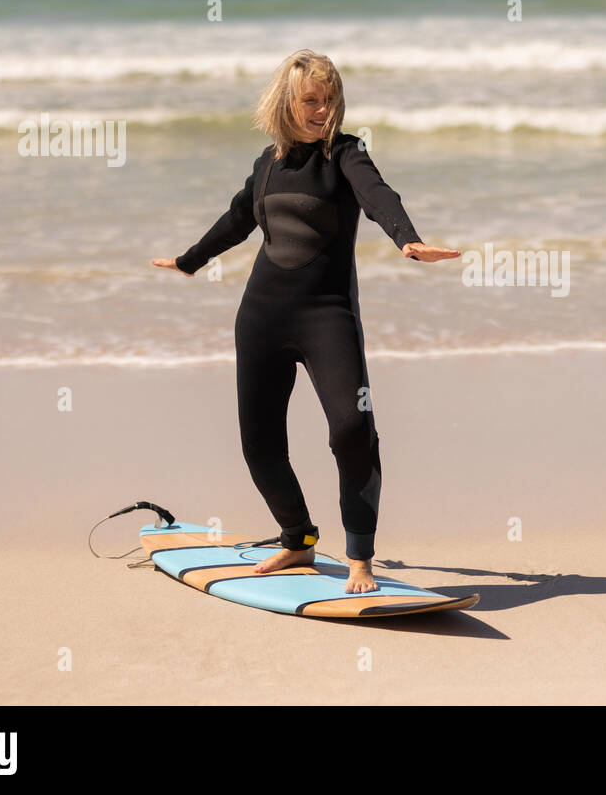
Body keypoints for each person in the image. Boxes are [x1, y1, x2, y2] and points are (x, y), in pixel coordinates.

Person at [152, 49, 458, 593]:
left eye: (328, 99)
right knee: (260, 444)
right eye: (310, 100)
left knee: (351, 428)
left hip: (328, 316)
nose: (321, 110)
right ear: (285, 103)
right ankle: (298, 540)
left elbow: (377, 195)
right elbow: (238, 218)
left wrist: (406, 238)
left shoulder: (346, 153)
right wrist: (190, 260)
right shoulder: (266, 163)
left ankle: (360, 556)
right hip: (261, 316)